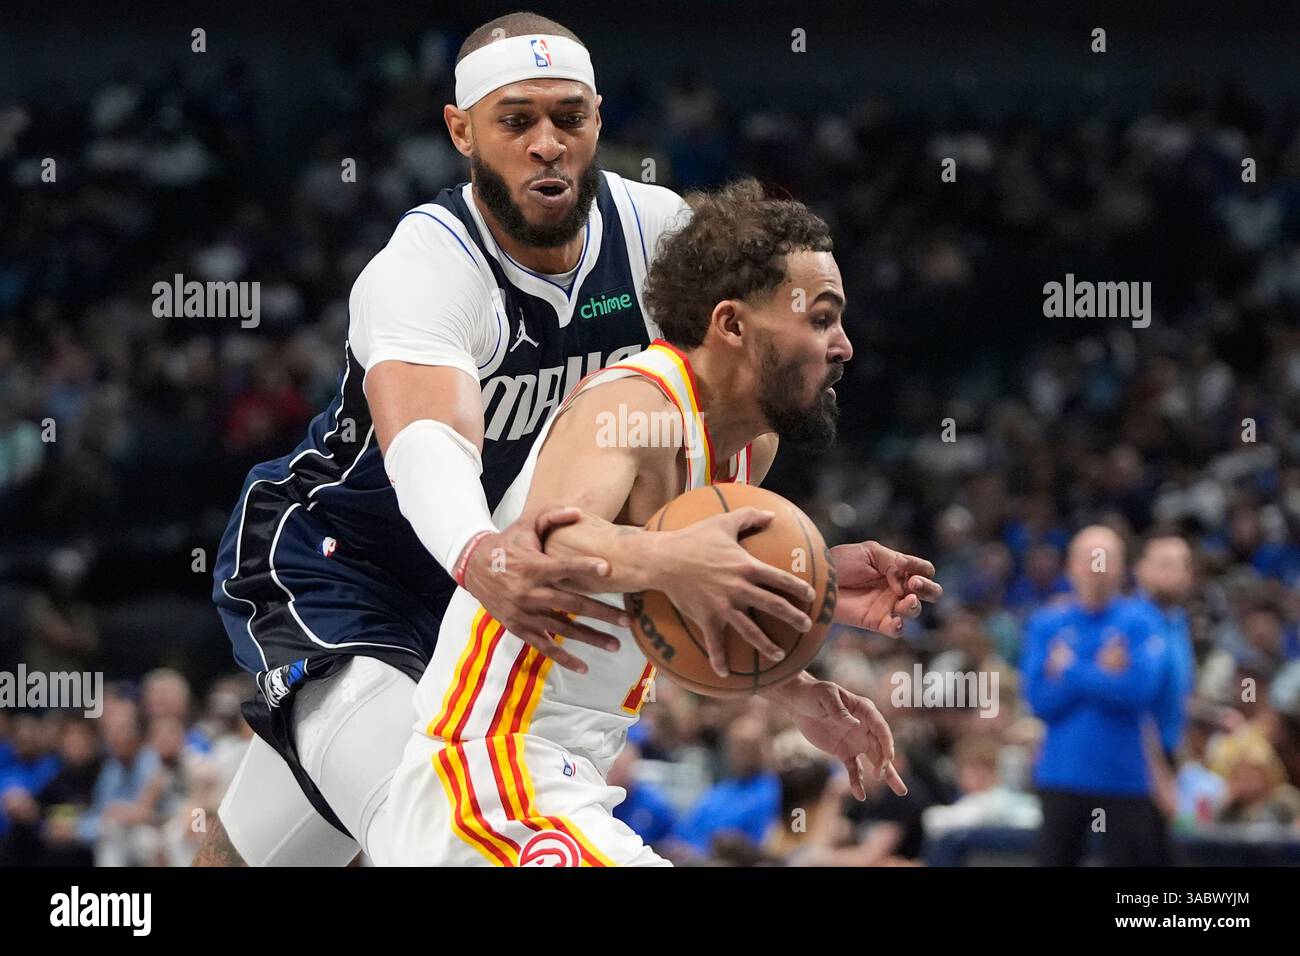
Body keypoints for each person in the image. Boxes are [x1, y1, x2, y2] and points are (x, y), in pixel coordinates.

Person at [201, 11, 816, 866]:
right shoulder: (426, 263)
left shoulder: (658, 237)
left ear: (598, 118)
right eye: (516, 119)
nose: (547, 143)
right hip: (350, 567)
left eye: (569, 117)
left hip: (501, 584)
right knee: (433, 836)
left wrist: (783, 653)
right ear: (461, 131)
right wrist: (480, 555)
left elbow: (705, 447)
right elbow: (428, 443)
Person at [387, 178, 941, 866]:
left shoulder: (747, 450)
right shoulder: (634, 403)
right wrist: (681, 558)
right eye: (821, 318)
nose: (844, 346)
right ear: (732, 325)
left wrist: (800, 660)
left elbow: (667, 616)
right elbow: (545, 543)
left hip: (566, 780)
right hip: (486, 776)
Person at [1021, 525, 1170, 865]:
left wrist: (1071, 669)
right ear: (1070, 566)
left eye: (1105, 559)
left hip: (1124, 779)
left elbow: (1140, 691)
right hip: (1061, 775)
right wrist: (1102, 672)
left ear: (1122, 567)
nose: (1096, 568)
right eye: (1088, 559)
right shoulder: (1047, 622)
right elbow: (1039, 701)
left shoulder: (1142, 620)